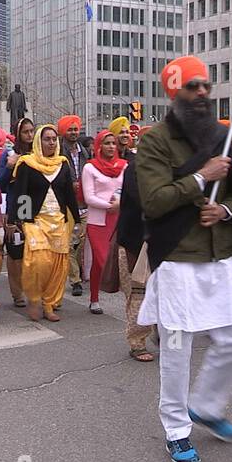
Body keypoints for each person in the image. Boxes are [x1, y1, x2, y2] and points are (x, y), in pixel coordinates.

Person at [137, 55, 232, 462]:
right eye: (192, 86)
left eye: (205, 86)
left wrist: (225, 211)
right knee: (177, 349)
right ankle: (177, 430)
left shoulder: (221, 133)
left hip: (218, 255)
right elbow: (154, 200)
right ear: (174, 92)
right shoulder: (155, 139)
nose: (201, 93)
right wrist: (201, 177)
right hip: (179, 258)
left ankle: (207, 406)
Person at [8, 125, 81, 322]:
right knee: (38, 262)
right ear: (38, 142)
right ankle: (34, 298)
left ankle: (48, 304)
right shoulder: (27, 163)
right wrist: (19, 221)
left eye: (54, 139)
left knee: (57, 265)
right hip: (35, 221)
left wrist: (77, 219)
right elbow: (21, 193)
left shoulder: (63, 163)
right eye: (47, 139)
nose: (51, 142)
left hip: (58, 222)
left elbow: (68, 194)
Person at [114, 147, 155, 362]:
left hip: (161, 241)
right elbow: (147, 201)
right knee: (138, 292)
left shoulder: (169, 167)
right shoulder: (135, 169)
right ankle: (137, 342)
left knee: (163, 291)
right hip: (135, 242)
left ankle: (160, 328)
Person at [82, 129, 127, 315]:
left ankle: (128, 299)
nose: (111, 147)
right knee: (102, 260)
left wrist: (120, 203)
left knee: (120, 261)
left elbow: (128, 189)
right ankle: (94, 298)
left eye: (113, 143)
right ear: (99, 146)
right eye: (106, 143)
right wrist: (109, 206)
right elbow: (89, 197)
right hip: (98, 221)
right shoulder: (89, 168)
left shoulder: (124, 166)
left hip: (120, 219)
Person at [0, 118, 36, 307]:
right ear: (18, 134)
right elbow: (0, 184)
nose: (29, 135)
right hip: (17, 205)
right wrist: (10, 165)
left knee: (34, 251)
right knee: (15, 252)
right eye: (25, 132)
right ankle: (17, 293)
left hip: (36, 206)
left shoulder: (39, 152)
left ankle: (34, 290)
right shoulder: (9, 153)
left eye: (32, 131)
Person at [58, 115, 91, 297]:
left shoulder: (85, 152)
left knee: (81, 243)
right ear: (63, 131)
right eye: (70, 129)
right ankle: (75, 280)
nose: (73, 132)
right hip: (67, 205)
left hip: (85, 205)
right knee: (69, 244)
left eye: (75, 129)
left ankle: (73, 271)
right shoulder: (58, 152)